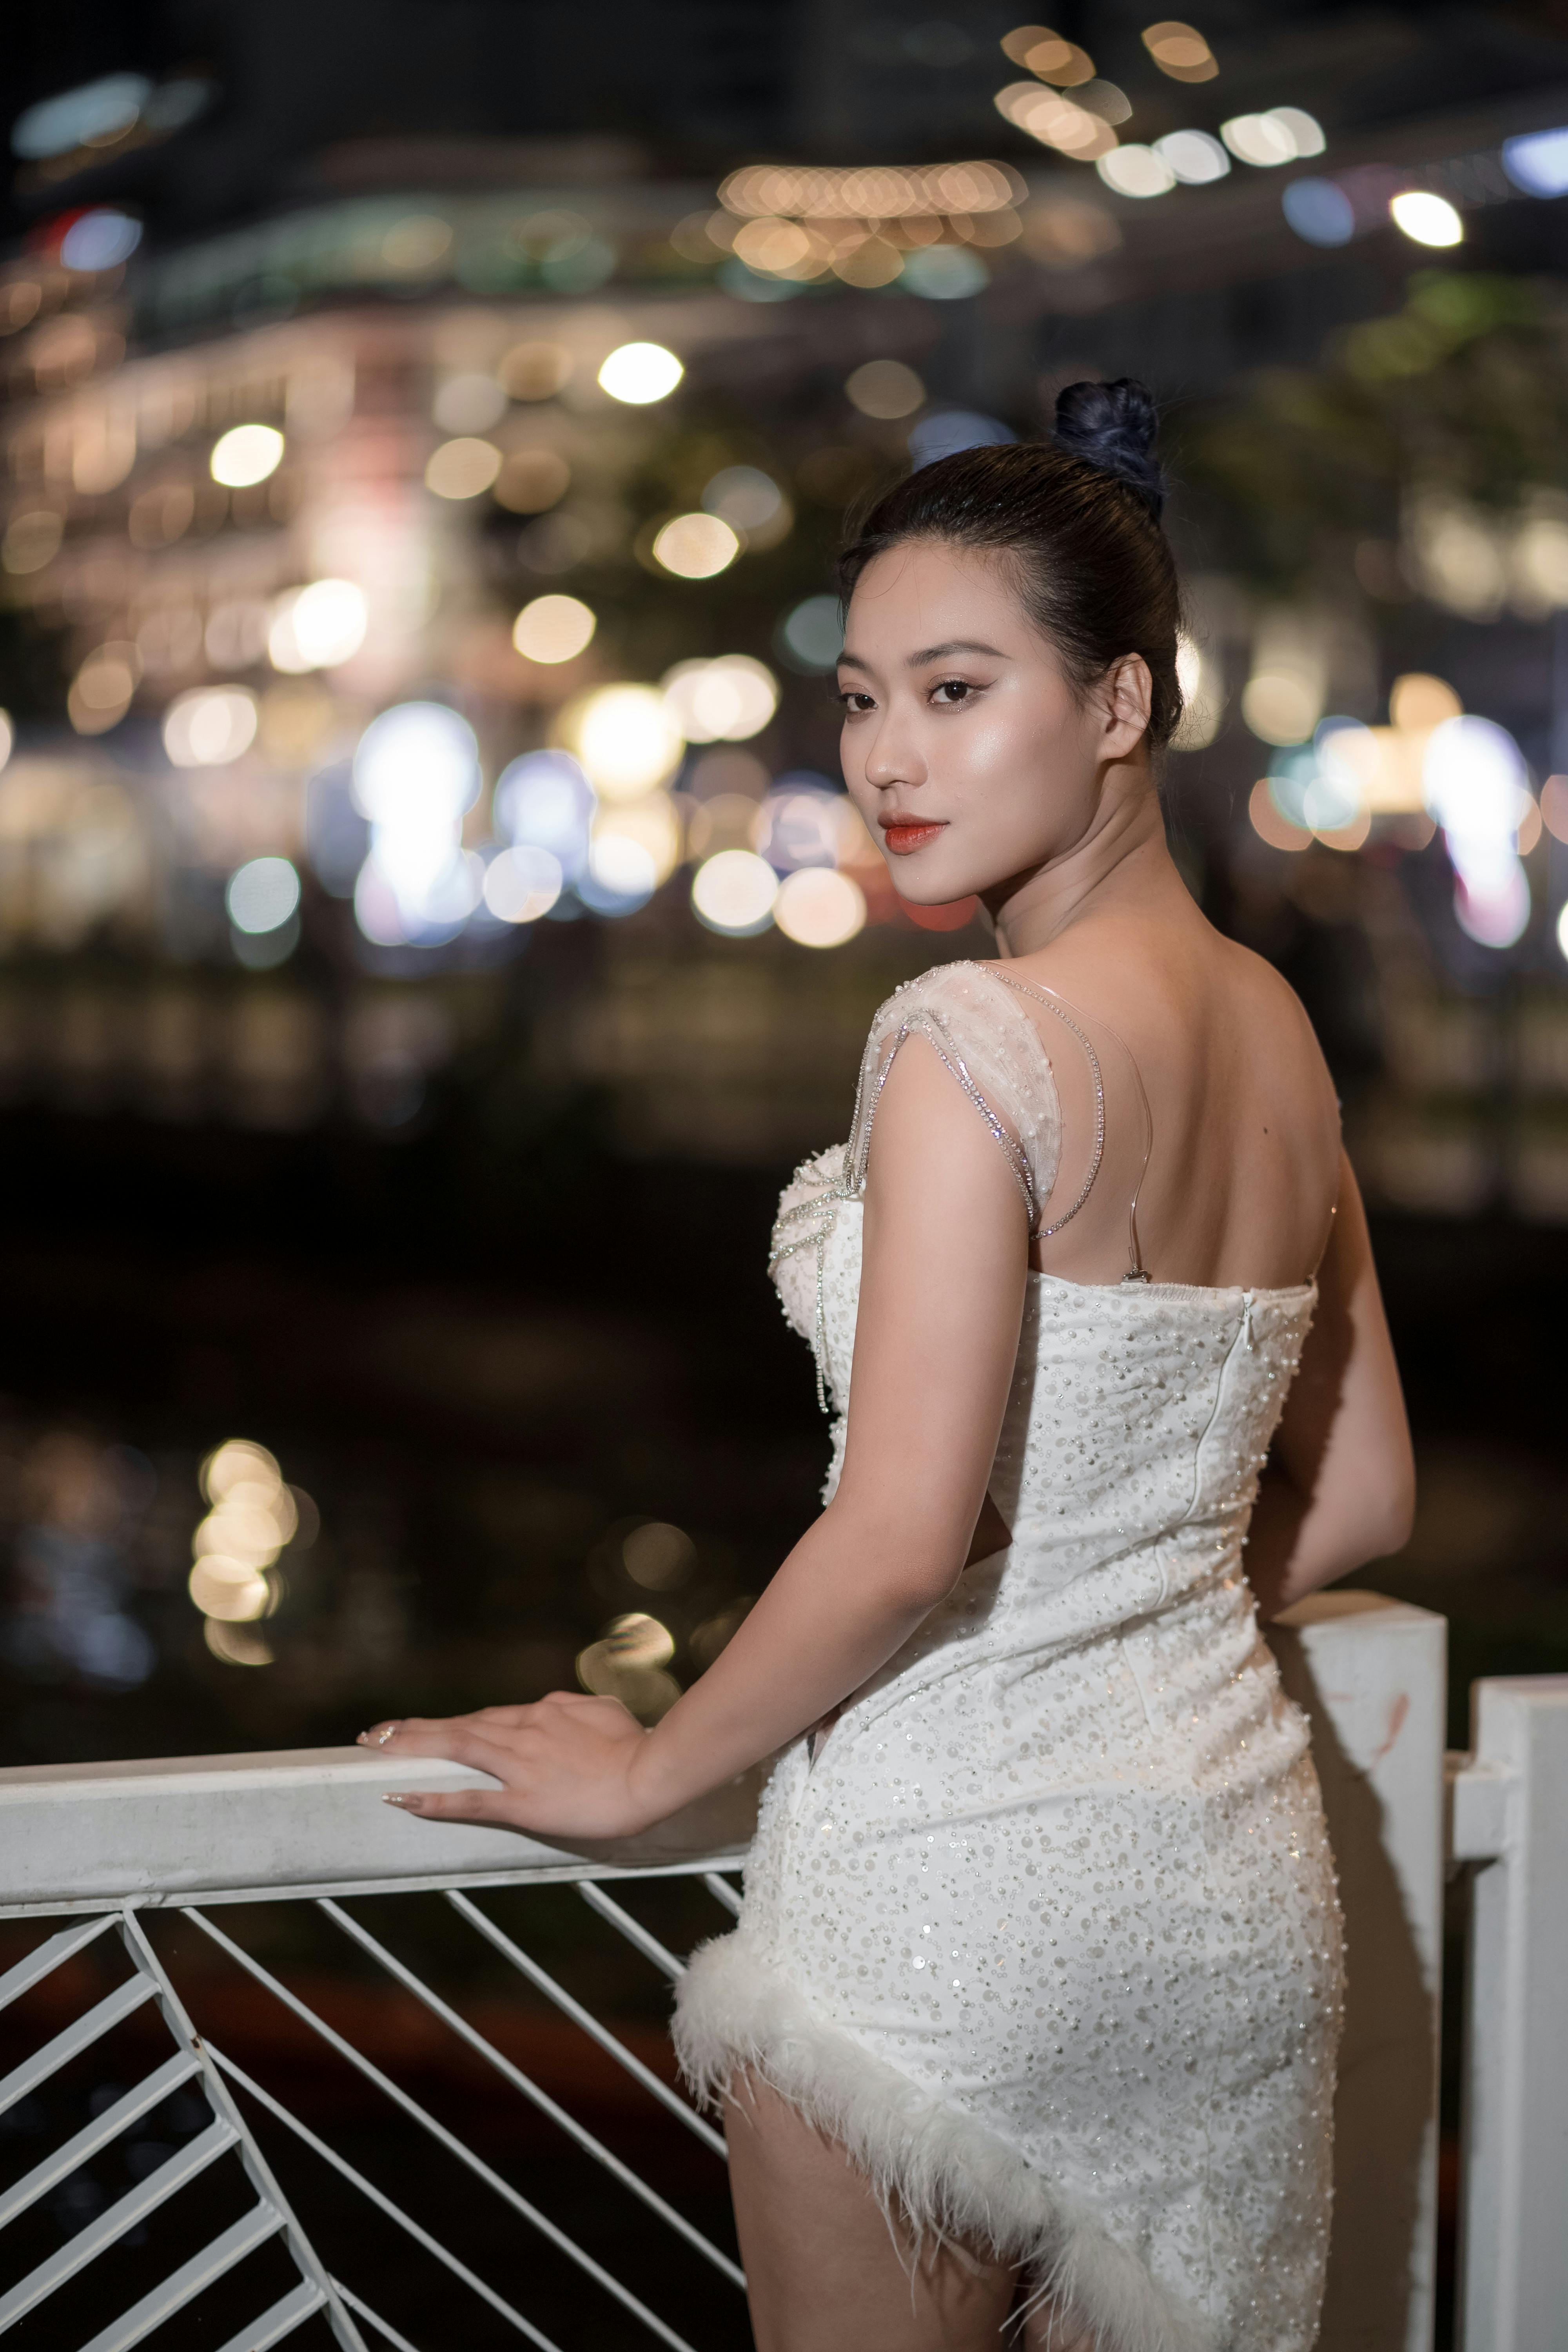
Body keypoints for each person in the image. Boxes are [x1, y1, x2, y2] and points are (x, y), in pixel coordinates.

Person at [361, 381, 1416, 2352]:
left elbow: (903, 1529)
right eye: (858, 700)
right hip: (1221, 1892)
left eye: (953, 690)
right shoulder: (1273, 1029)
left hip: (948, 1906)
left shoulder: (971, 1042)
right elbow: (1361, 1500)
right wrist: (1116, 1618)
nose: (887, 761)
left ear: (1119, 705)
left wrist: (652, 1774)